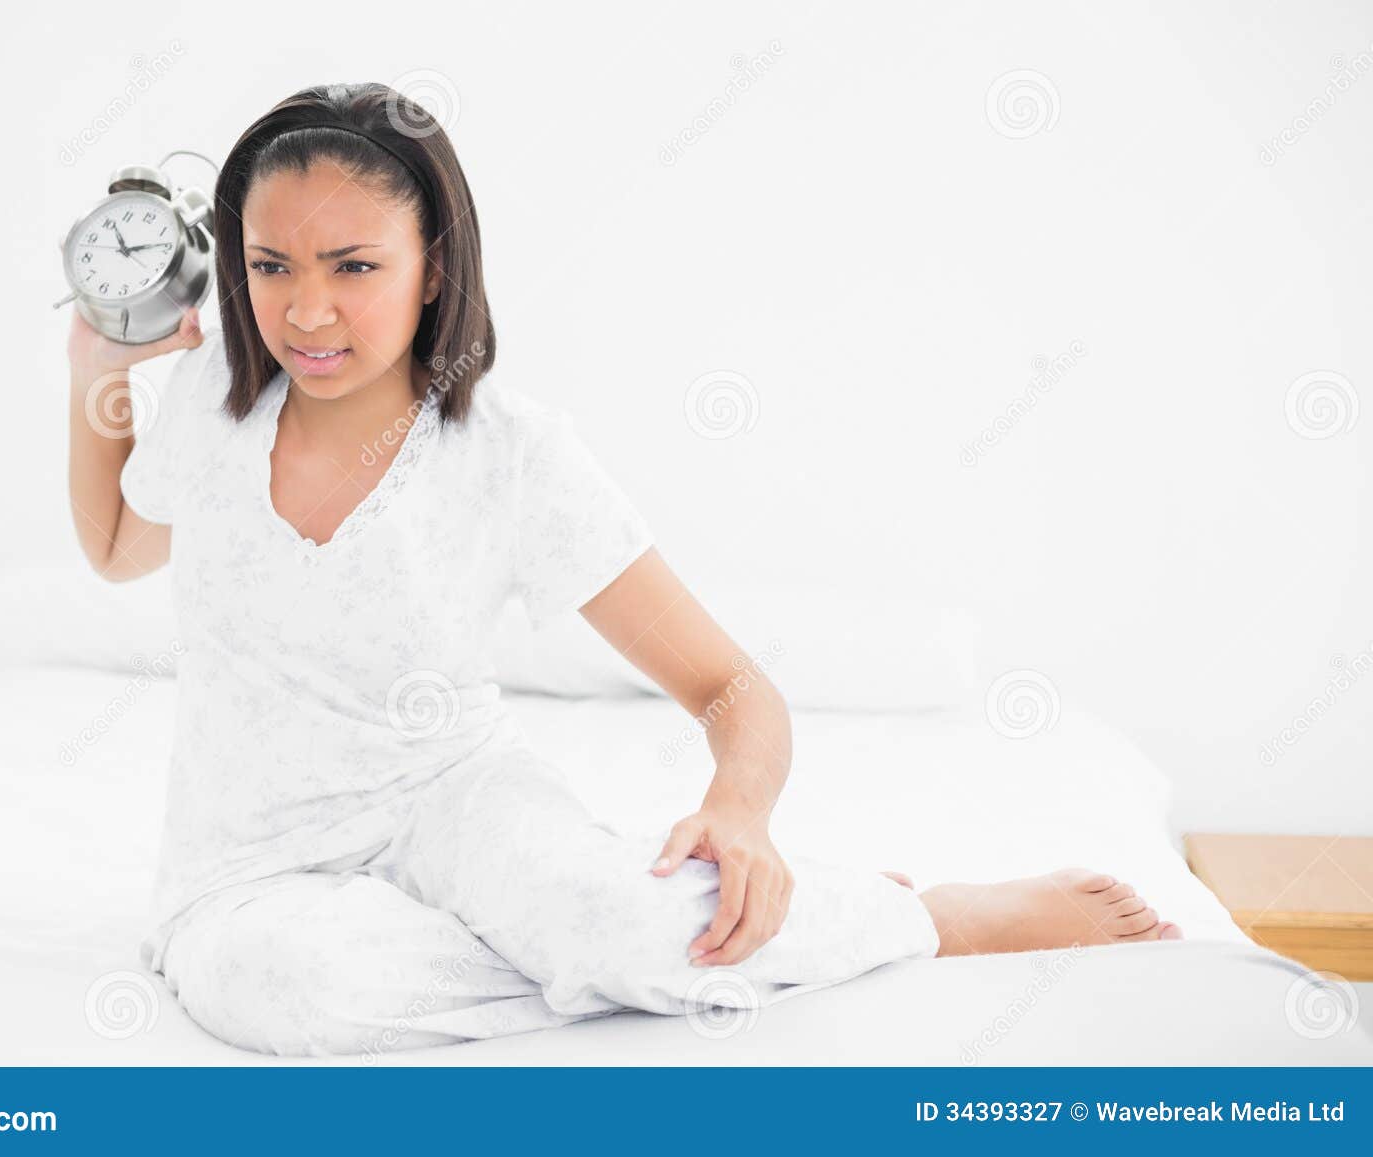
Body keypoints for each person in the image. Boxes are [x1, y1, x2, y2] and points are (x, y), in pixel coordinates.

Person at [65, 82, 1182, 1059]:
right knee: (298, 989)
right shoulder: (213, 412)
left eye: (353, 265)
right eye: (272, 265)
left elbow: (734, 687)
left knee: (616, 922)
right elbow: (116, 546)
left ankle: (926, 916)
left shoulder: (511, 450)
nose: (306, 310)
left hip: (453, 798)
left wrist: (738, 812)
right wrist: (93, 373)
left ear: (433, 265)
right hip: (245, 862)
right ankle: (652, 950)